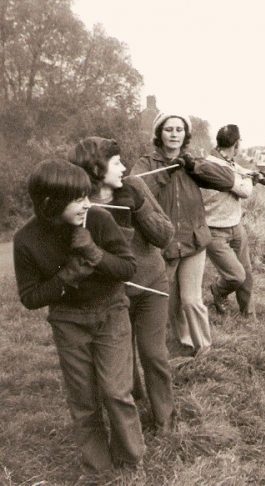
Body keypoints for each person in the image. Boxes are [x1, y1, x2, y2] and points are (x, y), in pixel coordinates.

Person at [13, 160, 144, 472]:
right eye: (78, 198)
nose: (87, 203)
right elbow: (30, 297)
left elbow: (128, 268)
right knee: (83, 401)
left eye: (87, 195)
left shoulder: (98, 219)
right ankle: (97, 469)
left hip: (111, 312)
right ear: (50, 202)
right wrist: (67, 276)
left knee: (115, 392)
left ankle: (130, 461)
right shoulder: (26, 240)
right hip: (68, 321)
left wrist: (94, 254)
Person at [69, 137, 176, 434]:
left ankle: (165, 419)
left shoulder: (135, 186)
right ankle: (134, 408)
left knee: (153, 354)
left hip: (152, 284)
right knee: (122, 361)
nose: (125, 168)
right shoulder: (79, 202)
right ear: (96, 168)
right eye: (116, 163)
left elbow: (165, 236)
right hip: (112, 294)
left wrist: (139, 207)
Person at [131, 112, 238, 357]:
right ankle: (180, 342)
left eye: (179, 130)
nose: (174, 134)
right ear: (159, 133)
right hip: (163, 242)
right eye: (169, 129)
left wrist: (193, 166)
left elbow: (227, 179)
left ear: (185, 134)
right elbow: (136, 190)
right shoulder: (147, 163)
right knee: (166, 298)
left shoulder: (192, 161)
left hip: (193, 241)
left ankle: (204, 349)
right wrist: (165, 173)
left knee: (191, 299)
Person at [204, 124, 265, 317]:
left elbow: (240, 171)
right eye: (239, 142)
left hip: (235, 225)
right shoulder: (213, 165)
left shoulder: (226, 160)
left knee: (246, 273)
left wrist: (256, 175)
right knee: (236, 275)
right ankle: (217, 290)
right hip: (215, 231)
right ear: (236, 144)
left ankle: (248, 315)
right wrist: (252, 180)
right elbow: (245, 191)